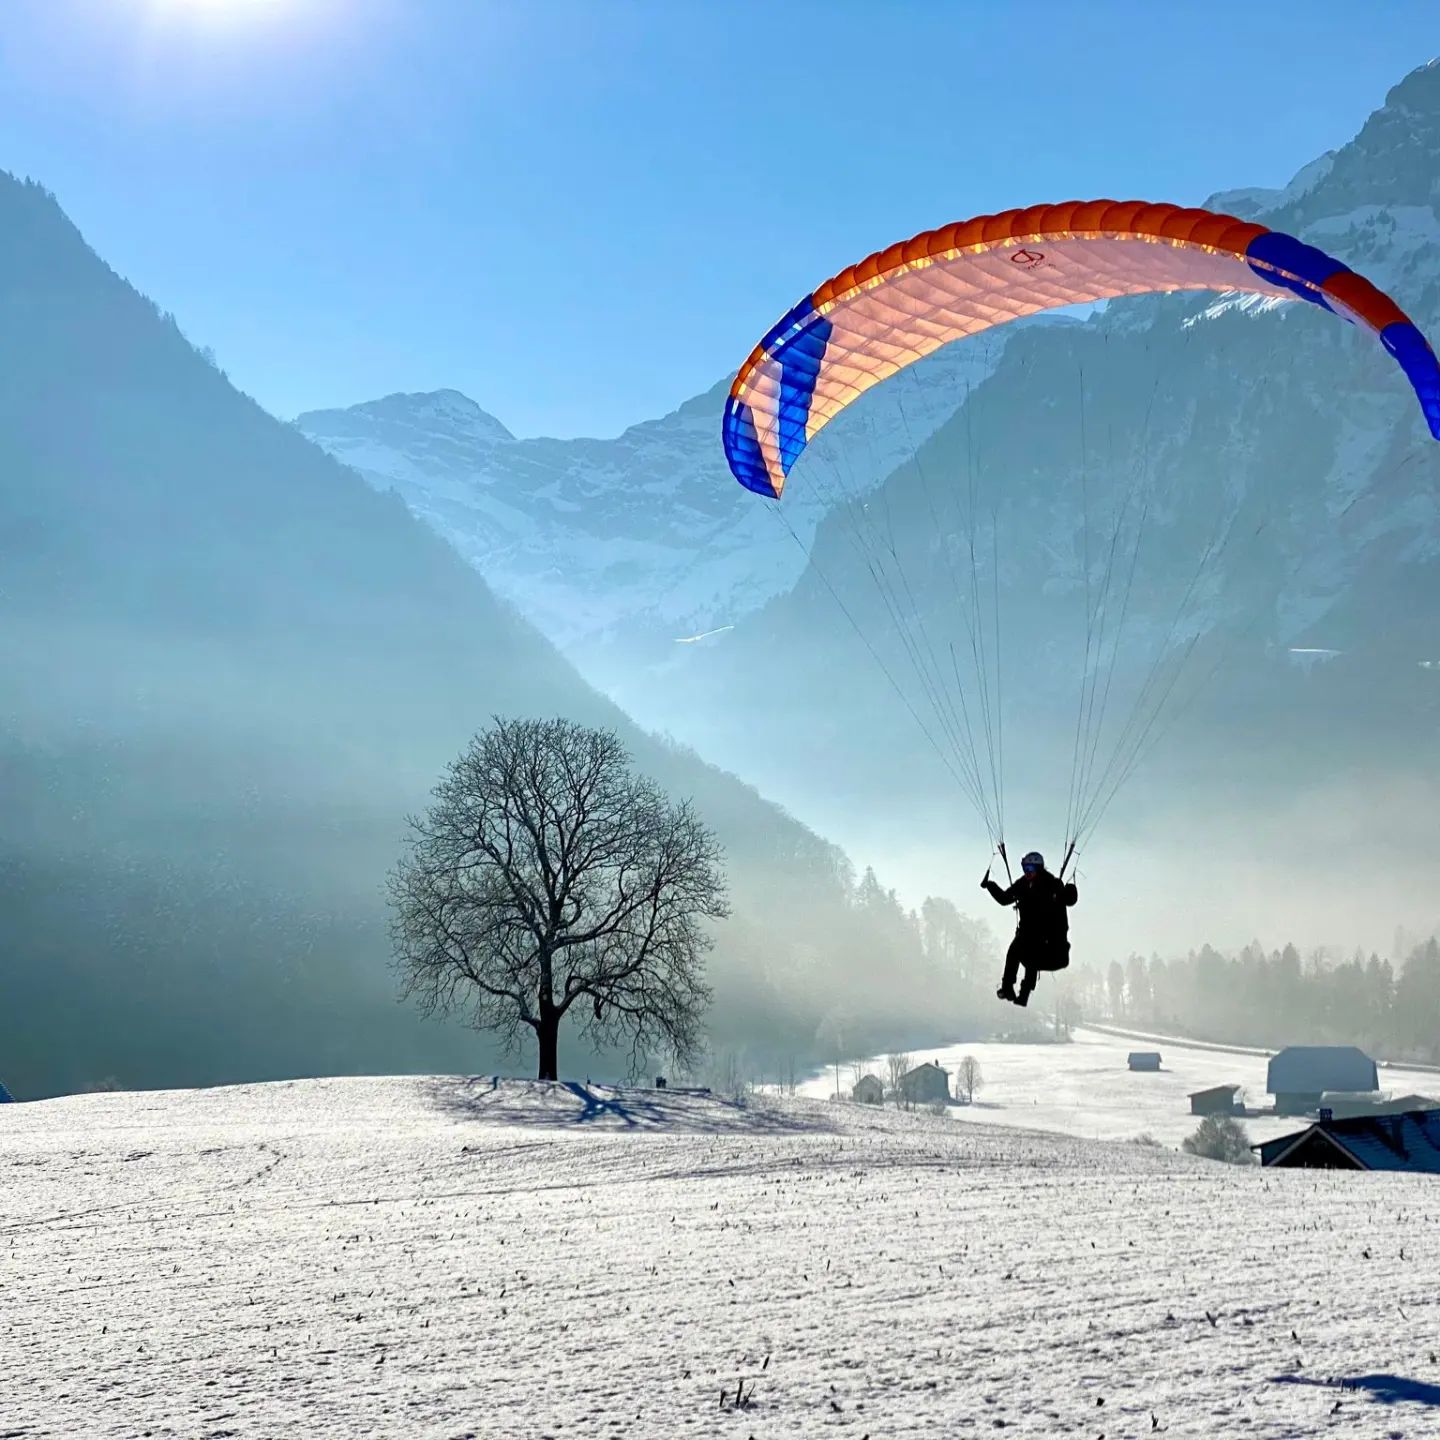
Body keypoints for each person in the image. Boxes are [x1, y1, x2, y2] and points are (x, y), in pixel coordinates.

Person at [981, 851, 1077, 1007]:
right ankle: (1008, 988)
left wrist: (1070, 888)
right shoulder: (1023, 884)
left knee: (1027, 948)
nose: (1027, 872)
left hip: (1052, 946)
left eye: (1030, 868)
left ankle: (1023, 992)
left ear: (1039, 868)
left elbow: (1070, 899)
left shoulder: (1052, 884)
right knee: (1017, 948)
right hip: (1030, 940)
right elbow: (1005, 898)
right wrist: (990, 885)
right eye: (1024, 868)